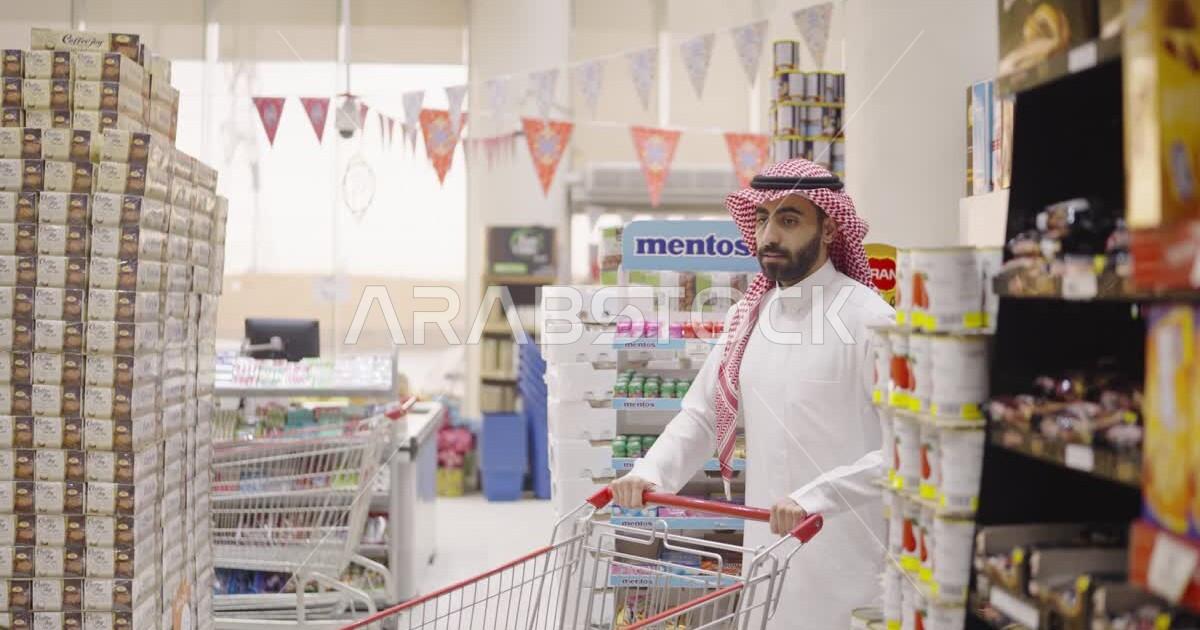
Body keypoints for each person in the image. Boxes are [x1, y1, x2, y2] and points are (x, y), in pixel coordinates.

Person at [610, 158, 894, 629]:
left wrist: (817, 497)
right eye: (762, 220)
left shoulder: (870, 320)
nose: (769, 236)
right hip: (765, 559)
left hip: (847, 566)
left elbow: (904, 451)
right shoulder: (749, 316)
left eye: (789, 221)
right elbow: (701, 415)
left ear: (829, 228)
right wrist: (650, 471)